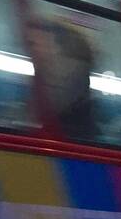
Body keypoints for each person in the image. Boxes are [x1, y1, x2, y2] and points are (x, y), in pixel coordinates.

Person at [28, 15, 98, 143]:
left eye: (33, 44)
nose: (30, 50)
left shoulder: (68, 75)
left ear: (54, 45)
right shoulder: (44, 73)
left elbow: (52, 110)